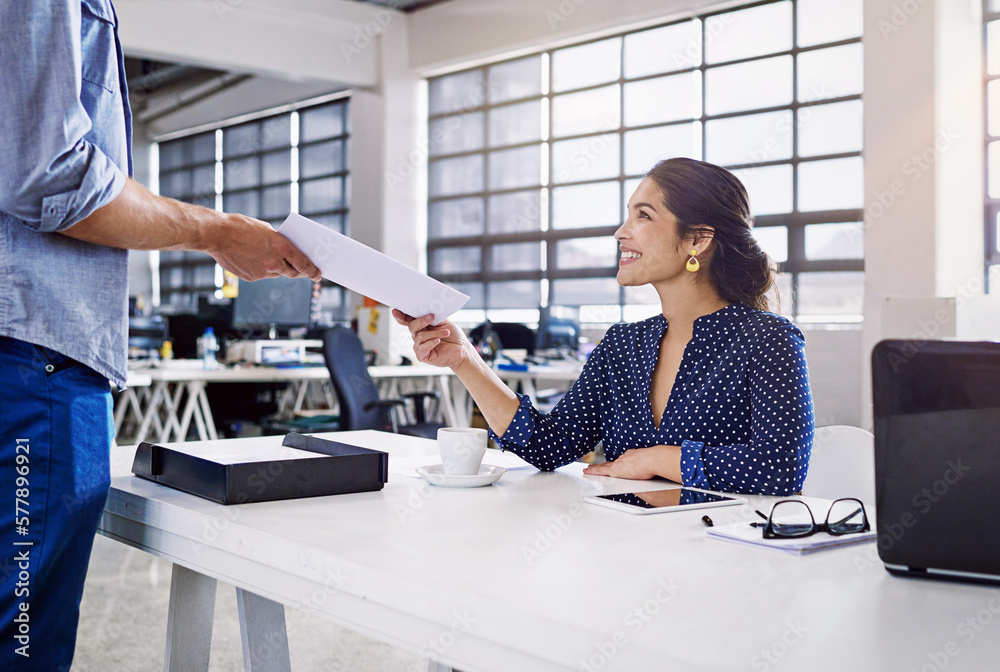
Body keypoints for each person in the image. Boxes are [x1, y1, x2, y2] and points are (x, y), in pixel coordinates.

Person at [0, 2, 320, 669]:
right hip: (34, 355)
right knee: (22, 640)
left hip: (30, 354)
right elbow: (47, 172)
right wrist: (215, 231)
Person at [394, 157, 814, 496]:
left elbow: (780, 468)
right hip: (621, 548)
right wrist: (464, 360)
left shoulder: (767, 340)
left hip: (723, 554)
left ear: (696, 240)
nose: (620, 232)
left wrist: (656, 459)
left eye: (643, 216)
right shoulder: (623, 345)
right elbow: (547, 446)